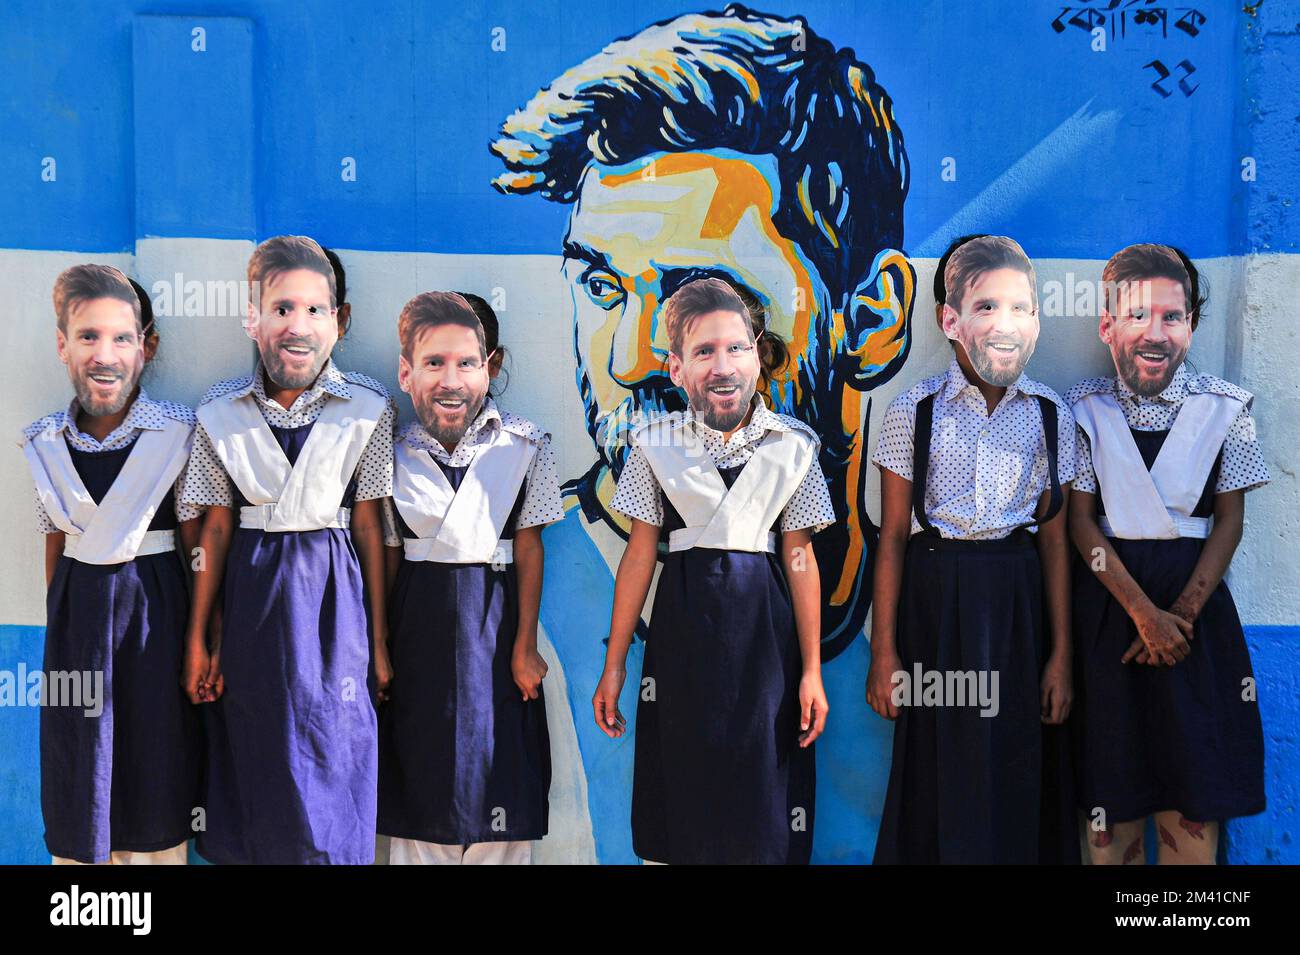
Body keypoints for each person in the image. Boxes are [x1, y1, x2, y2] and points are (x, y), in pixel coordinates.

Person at [592, 277, 835, 864]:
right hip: (682, 646)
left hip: (767, 651)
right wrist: (616, 664)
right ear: (675, 368)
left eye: (735, 348)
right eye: (703, 352)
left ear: (758, 355)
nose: (721, 365)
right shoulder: (654, 444)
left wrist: (811, 671)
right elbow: (639, 557)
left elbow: (799, 558)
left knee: (763, 802)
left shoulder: (793, 445)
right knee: (685, 795)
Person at [180, 235, 395, 864]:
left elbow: (370, 529)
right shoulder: (219, 411)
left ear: (340, 321)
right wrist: (204, 635)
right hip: (252, 611)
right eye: (280, 309)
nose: (296, 326)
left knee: (334, 750)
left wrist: (378, 641)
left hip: (336, 614)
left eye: (314, 310)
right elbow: (213, 530)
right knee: (256, 756)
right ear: (253, 318)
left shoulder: (367, 407)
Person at [867, 235, 1075, 863]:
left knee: (1016, 760)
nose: (1006, 324)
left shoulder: (1049, 413)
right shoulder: (914, 411)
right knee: (941, 763)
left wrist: (1061, 654)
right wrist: (884, 652)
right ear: (949, 320)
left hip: (1017, 605)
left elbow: (1058, 541)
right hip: (937, 606)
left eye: (1022, 307)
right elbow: (895, 537)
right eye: (986, 307)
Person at [1067, 243, 1268, 865]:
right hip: (1111, 620)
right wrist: (1143, 616)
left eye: (1172, 317)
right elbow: (1081, 526)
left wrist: (1176, 616)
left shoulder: (1228, 409)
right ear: (1107, 325)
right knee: (1110, 813)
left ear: (1192, 325)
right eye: (1136, 315)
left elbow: (1228, 525)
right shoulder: (1083, 410)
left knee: (1192, 808)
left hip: (1196, 628)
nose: (1155, 333)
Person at [20, 265, 201, 864]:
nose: (105, 354)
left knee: (154, 763)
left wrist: (203, 637)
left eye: (122, 338)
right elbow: (56, 545)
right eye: (88, 336)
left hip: (155, 623)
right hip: (77, 628)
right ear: (62, 345)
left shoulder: (178, 434)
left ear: (146, 347)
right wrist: (68, 628)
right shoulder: (44, 443)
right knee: (80, 762)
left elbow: (198, 544)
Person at [377, 292, 562, 865]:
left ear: (493, 367)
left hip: (496, 628)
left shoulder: (525, 444)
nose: (450, 379)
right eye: (433, 363)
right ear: (406, 372)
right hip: (417, 632)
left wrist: (524, 646)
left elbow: (529, 547)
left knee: (499, 767)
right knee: (420, 775)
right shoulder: (389, 451)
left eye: (466, 363)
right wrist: (379, 645)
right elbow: (385, 554)